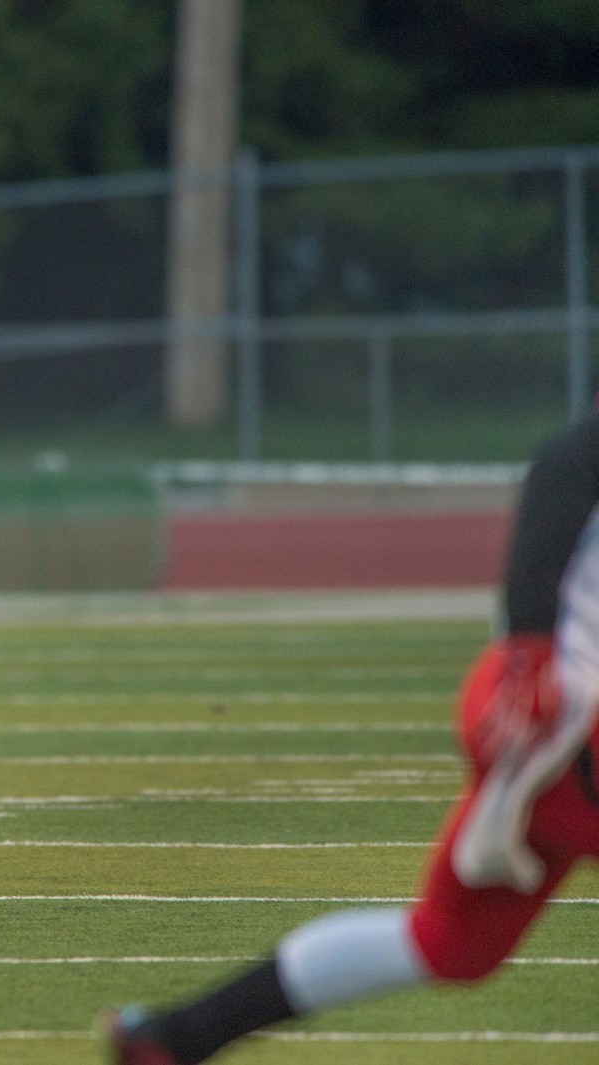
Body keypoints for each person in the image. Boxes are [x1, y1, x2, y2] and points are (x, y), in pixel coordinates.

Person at [105, 412, 599, 1064]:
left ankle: (176, 1037)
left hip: (537, 727)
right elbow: (570, 459)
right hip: (558, 718)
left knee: (447, 941)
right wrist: (531, 649)